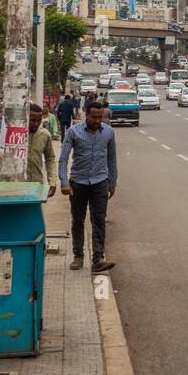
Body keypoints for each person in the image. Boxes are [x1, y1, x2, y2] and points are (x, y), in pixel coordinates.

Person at [59, 101, 117, 273]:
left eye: (100, 117)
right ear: (86, 115)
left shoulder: (108, 133)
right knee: (78, 220)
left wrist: (112, 182)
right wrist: (64, 181)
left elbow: (112, 159)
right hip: (78, 183)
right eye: (94, 117)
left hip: (100, 182)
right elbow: (63, 159)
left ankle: (98, 258)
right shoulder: (73, 132)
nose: (97, 120)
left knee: (99, 219)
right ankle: (78, 256)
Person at [27, 102, 59, 197]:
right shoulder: (17, 133)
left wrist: (52, 181)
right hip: (16, 184)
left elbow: (50, 159)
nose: (36, 123)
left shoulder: (45, 135)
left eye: (39, 120)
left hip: (36, 183)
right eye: (32, 120)